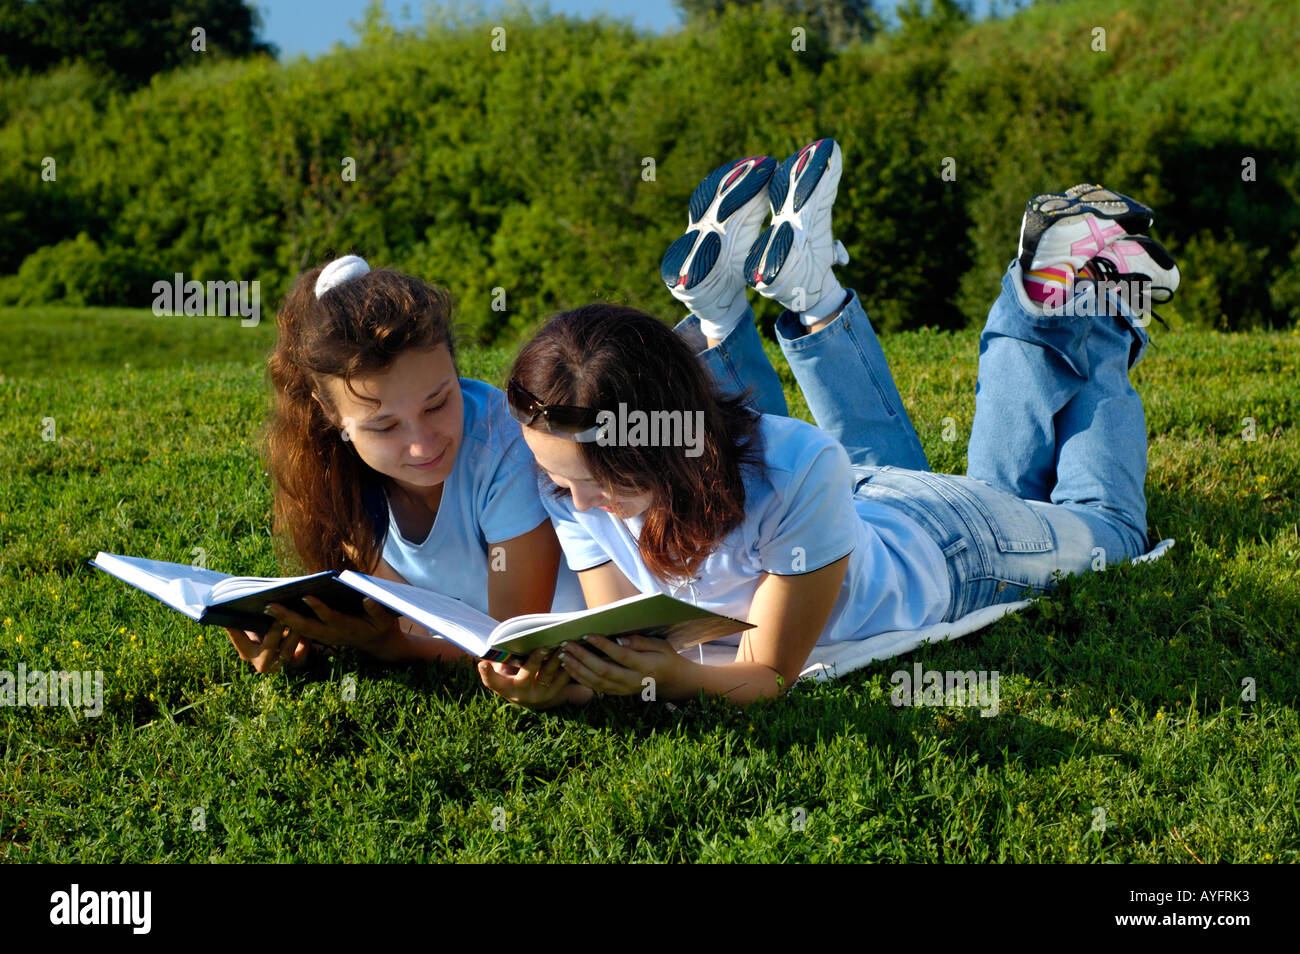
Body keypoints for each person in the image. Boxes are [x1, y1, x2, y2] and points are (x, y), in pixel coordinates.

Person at [483, 138, 1179, 708]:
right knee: (992, 483)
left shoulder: (790, 469)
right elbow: (627, 631)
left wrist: (668, 679)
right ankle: (1001, 287)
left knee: (1109, 529)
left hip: (959, 550)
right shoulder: (576, 477)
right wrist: (568, 682)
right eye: (557, 479)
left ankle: (1079, 299)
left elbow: (764, 674)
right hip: (864, 504)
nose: (575, 505)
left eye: (601, 483)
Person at [225, 257, 581, 674]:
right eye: (384, 426)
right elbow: (409, 619)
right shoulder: (333, 473)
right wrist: (306, 637)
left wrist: (393, 649)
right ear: (329, 413)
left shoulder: (506, 449)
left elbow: (510, 650)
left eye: (438, 403)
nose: (421, 445)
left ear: (455, 367)